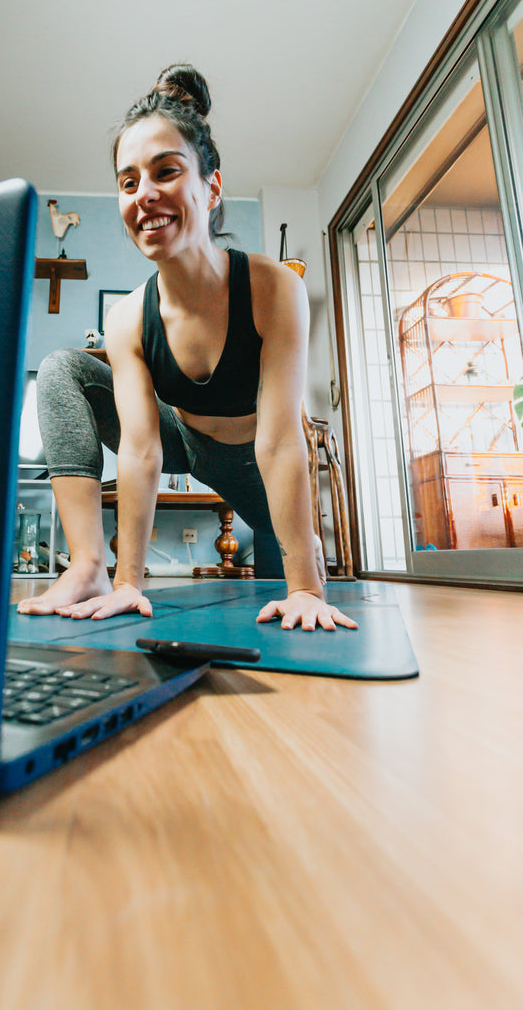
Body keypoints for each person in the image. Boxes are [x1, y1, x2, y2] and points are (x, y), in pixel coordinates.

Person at [18, 64, 356, 632]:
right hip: (183, 438)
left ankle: (303, 561)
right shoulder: (127, 318)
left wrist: (304, 587)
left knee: (293, 583)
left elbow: (279, 442)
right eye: (128, 182)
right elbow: (141, 449)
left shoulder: (275, 289)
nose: (144, 195)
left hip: (253, 461)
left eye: (166, 172)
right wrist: (128, 582)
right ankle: (87, 567)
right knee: (61, 370)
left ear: (211, 187)